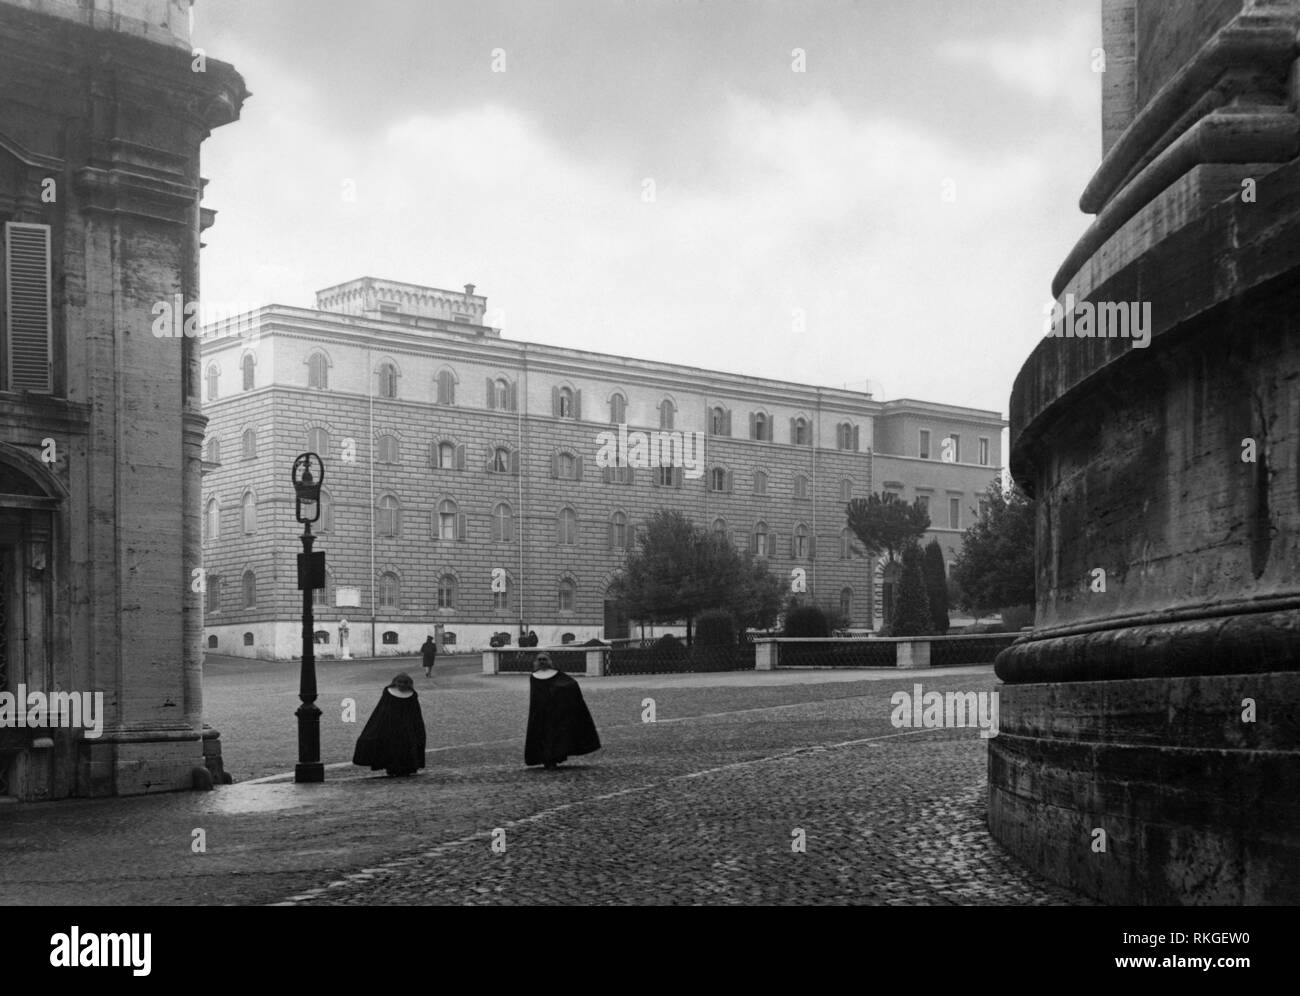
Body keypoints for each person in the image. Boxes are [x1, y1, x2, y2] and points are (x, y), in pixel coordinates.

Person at [524, 653, 601, 769]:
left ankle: (554, 758)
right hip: (541, 713)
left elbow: (570, 684)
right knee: (543, 736)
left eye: (544, 659)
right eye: (539, 659)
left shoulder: (558, 675)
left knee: (555, 736)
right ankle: (546, 759)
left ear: (549, 661)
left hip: (556, 712)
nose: (542, 662)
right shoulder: (534, 677)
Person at [352, 673, 426, 776]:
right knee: (390, 748)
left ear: (408, 684)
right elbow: (382, 710)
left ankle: (405, 768)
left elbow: (415, 713)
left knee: (404, 748)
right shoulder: (389, 692)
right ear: (395, 682)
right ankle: (391, 767)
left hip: (406, 726)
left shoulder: (412, 695)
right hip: (390, 724)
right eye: (399, 682)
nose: (401, 685)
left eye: (404, 683)